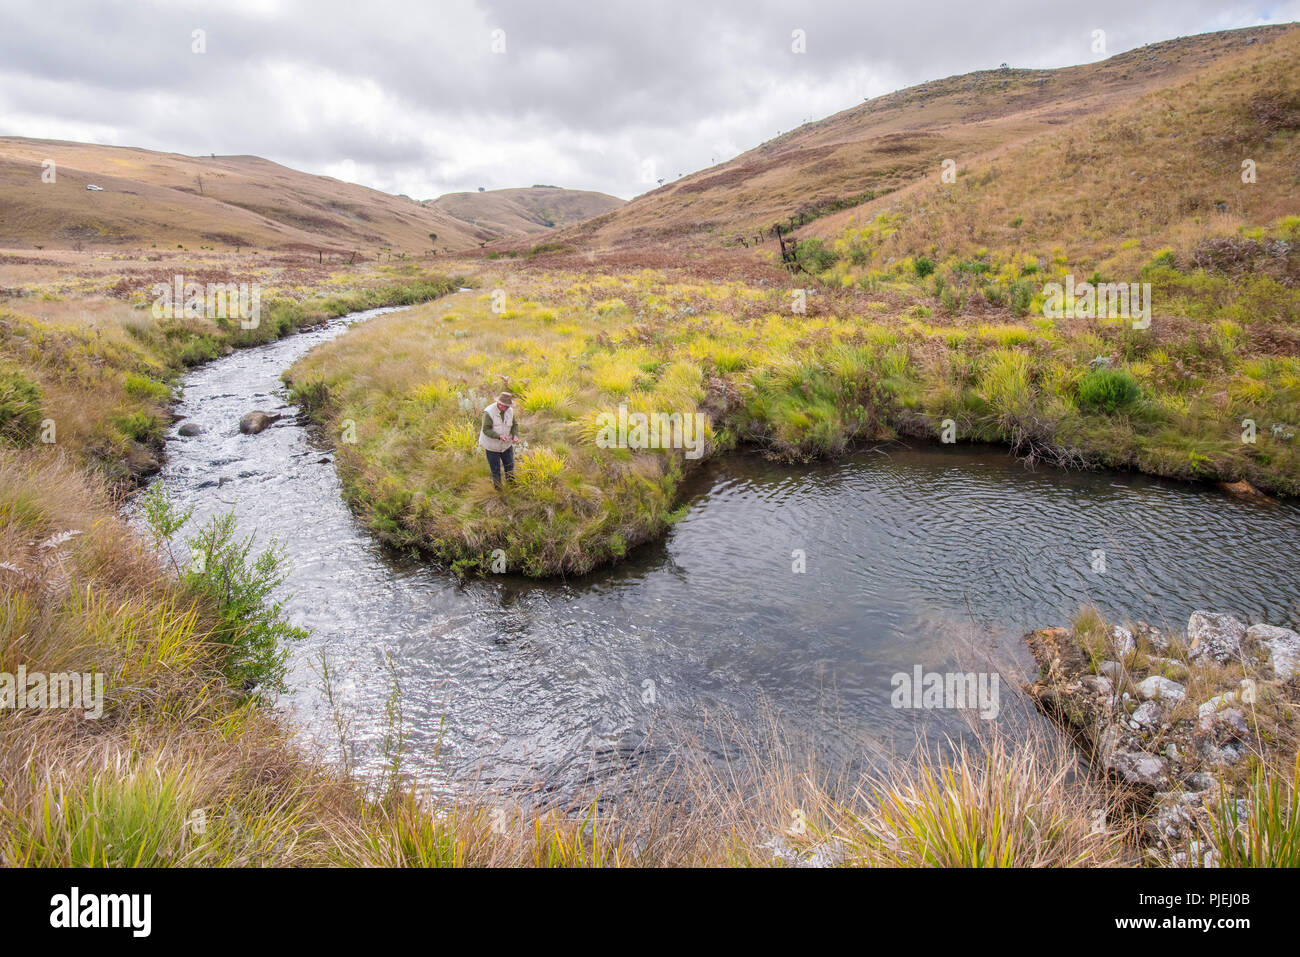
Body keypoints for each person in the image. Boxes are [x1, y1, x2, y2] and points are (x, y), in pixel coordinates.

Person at [478, 391, 518, 488]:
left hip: (506, 445)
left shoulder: (510, 410)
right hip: (492, 446)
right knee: (495, 469)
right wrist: (498, 436)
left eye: (509, 406)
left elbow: (515, 425)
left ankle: (512, 486)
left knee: (509, 466)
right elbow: (486, 429)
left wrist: (514, 435)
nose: (507, 408)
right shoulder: (488, 412)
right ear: (500, 403)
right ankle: (498, 489)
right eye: (506, 406)